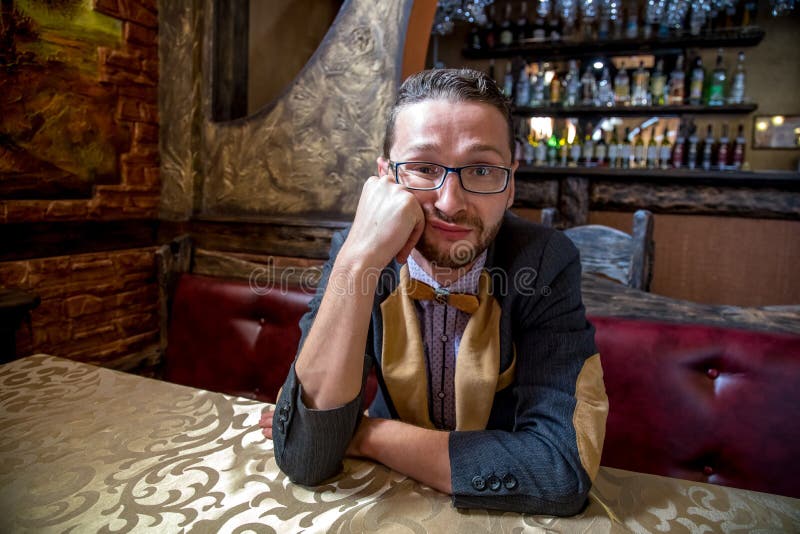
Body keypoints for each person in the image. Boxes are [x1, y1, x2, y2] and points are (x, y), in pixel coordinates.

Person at [259, 68, 608, 515]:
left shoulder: (546, 261)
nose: (450, 201)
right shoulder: (360, 253)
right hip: (384, 501)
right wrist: (355, 262)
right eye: (424, 168)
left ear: (511, 184)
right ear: (385, 178)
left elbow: (557, 471)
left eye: (481, 170)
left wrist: (363, 434)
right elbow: (306, 456)